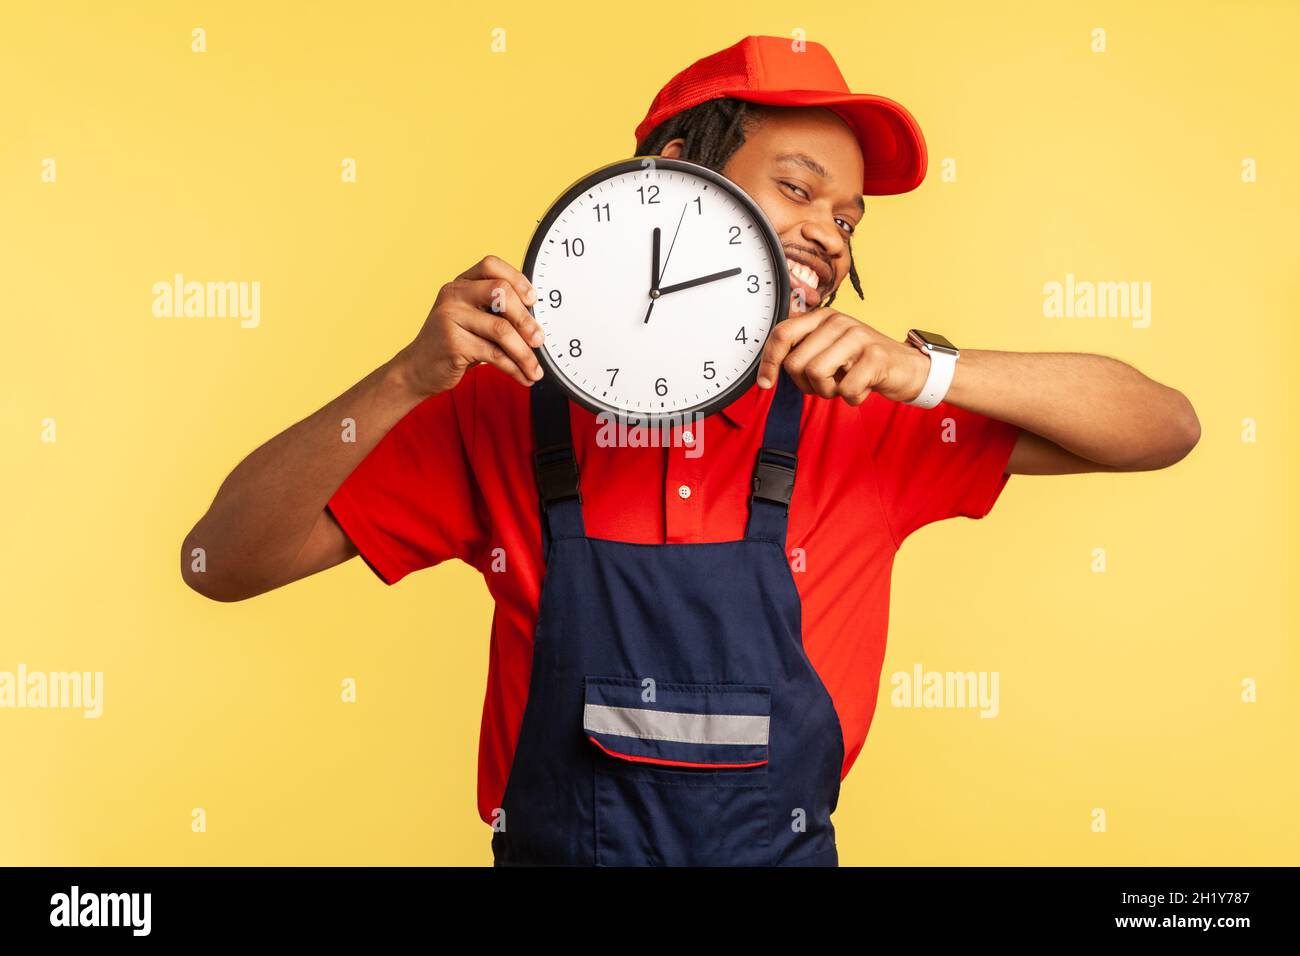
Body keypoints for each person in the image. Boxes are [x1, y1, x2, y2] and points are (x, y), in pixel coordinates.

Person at [180, 36, 1200, 866]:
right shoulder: (508, 400)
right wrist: (406, 376)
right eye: (798, 190)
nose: (832, 235)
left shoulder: (864, 410)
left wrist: (925, 372)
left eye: (847, 217)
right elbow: (218, 562)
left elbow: (1162, 425)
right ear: (672, 179)